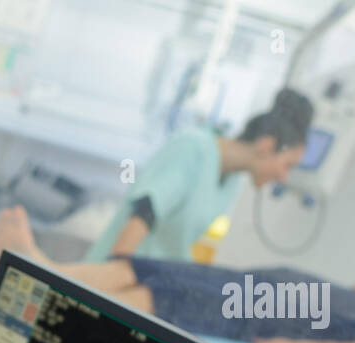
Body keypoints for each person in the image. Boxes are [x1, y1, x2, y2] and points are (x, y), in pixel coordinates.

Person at [0, 206, 355, 343]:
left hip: (248, 307)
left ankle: (47, 306)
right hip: (243, 285)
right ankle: (43, 268)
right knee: (140, 269)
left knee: (163, 298)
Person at [85, 88, 314, 262]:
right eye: (288, 165)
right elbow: (142, 214)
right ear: (266, 146)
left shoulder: (232, 179)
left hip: (145, 284)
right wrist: (111, 283)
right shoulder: (193, 148)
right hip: (111, 279)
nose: (284, 177)